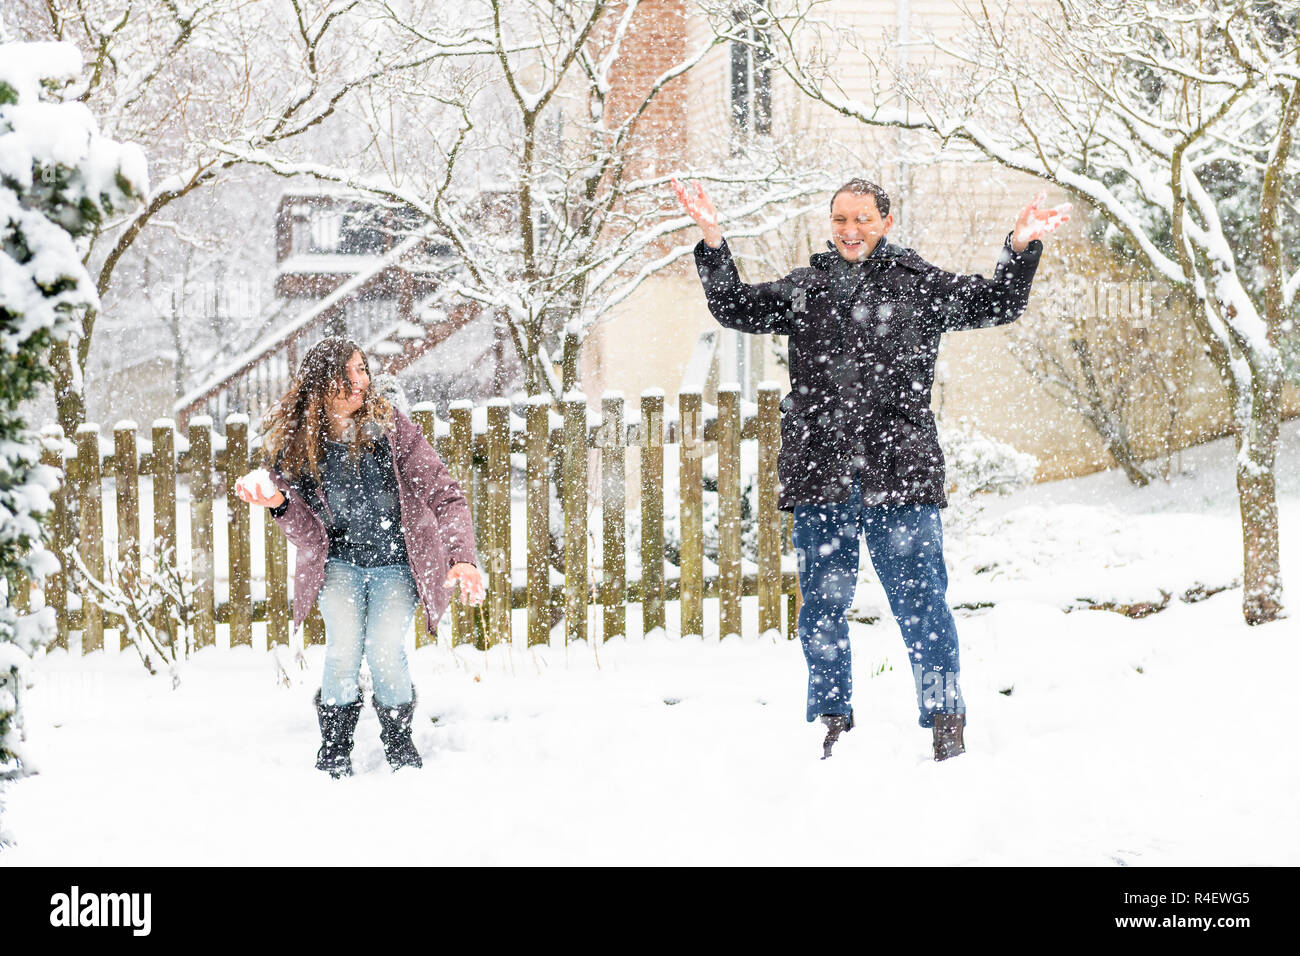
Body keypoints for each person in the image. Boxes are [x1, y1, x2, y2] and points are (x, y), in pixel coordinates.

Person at [672, 176, 1069, 760]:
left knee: (923, 604)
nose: (850, 231)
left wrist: (1020, 247)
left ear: (886, 221)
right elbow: (735, 305)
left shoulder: (918, 286)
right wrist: (711, 237)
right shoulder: (806, 288)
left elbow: (998, 302)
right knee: (822, 610)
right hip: (820, 475)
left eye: (862, 219)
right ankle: (831, 721)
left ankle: (945, 720)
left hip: (899, 473)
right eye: (840, 220)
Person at [235, 337, 485, 777]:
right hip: (340, 567)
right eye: (346, 373)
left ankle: (398, 742)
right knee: (343, 651)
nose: (358, 382)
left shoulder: (391, 428)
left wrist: (461, 556)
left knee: (385, 649)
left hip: (396, 564)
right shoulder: (298, 448)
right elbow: (311, 538)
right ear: (319, 383)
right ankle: (334, 748)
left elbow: (445, 494)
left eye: (362, 370)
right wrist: (277, 501)